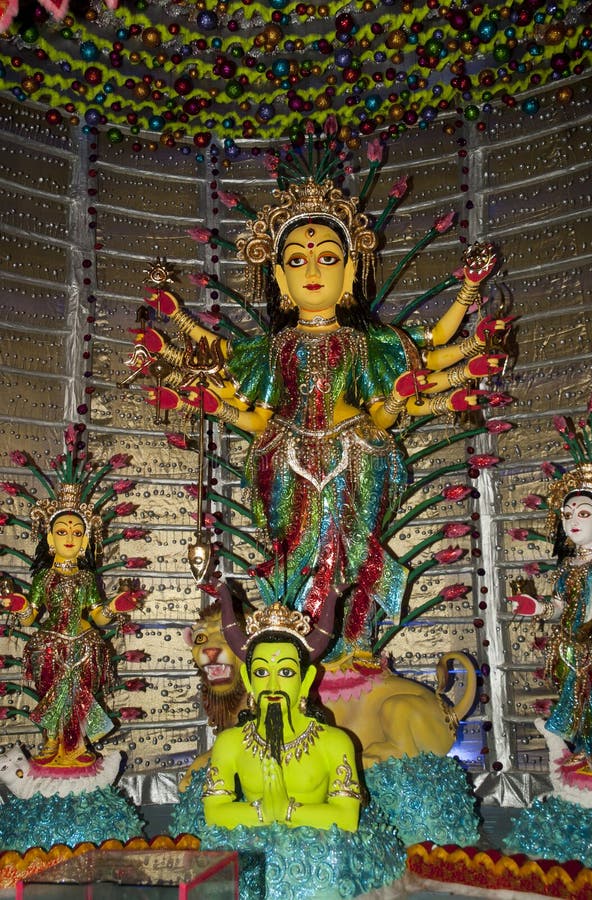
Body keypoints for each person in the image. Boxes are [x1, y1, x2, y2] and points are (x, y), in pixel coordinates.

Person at [135, 175, 510, 651]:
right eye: (296, 260)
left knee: (353, 556)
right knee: (291, 555)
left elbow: (424, 358)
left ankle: (350, 649)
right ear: (278, 277)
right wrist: (190, 363)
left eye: (328, 257)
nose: (313, 268)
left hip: (356, 456)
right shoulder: (276, 348)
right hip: (283, 459)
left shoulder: (367, 343)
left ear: (351, 272)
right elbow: (244, 400)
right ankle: (291, 649)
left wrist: (468, 307)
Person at [202, 586, 362, 831]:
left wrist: (285, 810)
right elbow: (214, 813)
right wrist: (264, 812)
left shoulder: (334, 743)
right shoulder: (230, 743)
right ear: (248, 679)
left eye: (286, 672)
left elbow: (347, 819)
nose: (273, 685)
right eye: (262, 672)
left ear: (306, 680)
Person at [1, 484, 138, 769]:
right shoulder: (43, 578)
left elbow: (99, 615)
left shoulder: (87, 579)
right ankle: (51, 740)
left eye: (77, 533)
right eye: (62, 531)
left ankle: (77, 744)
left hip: (85, 644)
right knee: (52, 693)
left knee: (80, 694)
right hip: (51, 645)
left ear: (85, 541)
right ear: (50, 538)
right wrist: (18, 605)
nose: (70, 538)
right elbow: (31, 617)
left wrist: (115, 607)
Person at [511, 462, 592, 770]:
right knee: (577, 696)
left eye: (584, 513)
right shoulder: (567, 567)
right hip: (573, 645)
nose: (573, 521)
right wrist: (536, 607)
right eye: (567, 515)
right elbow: (560, 604)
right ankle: (586, 745)